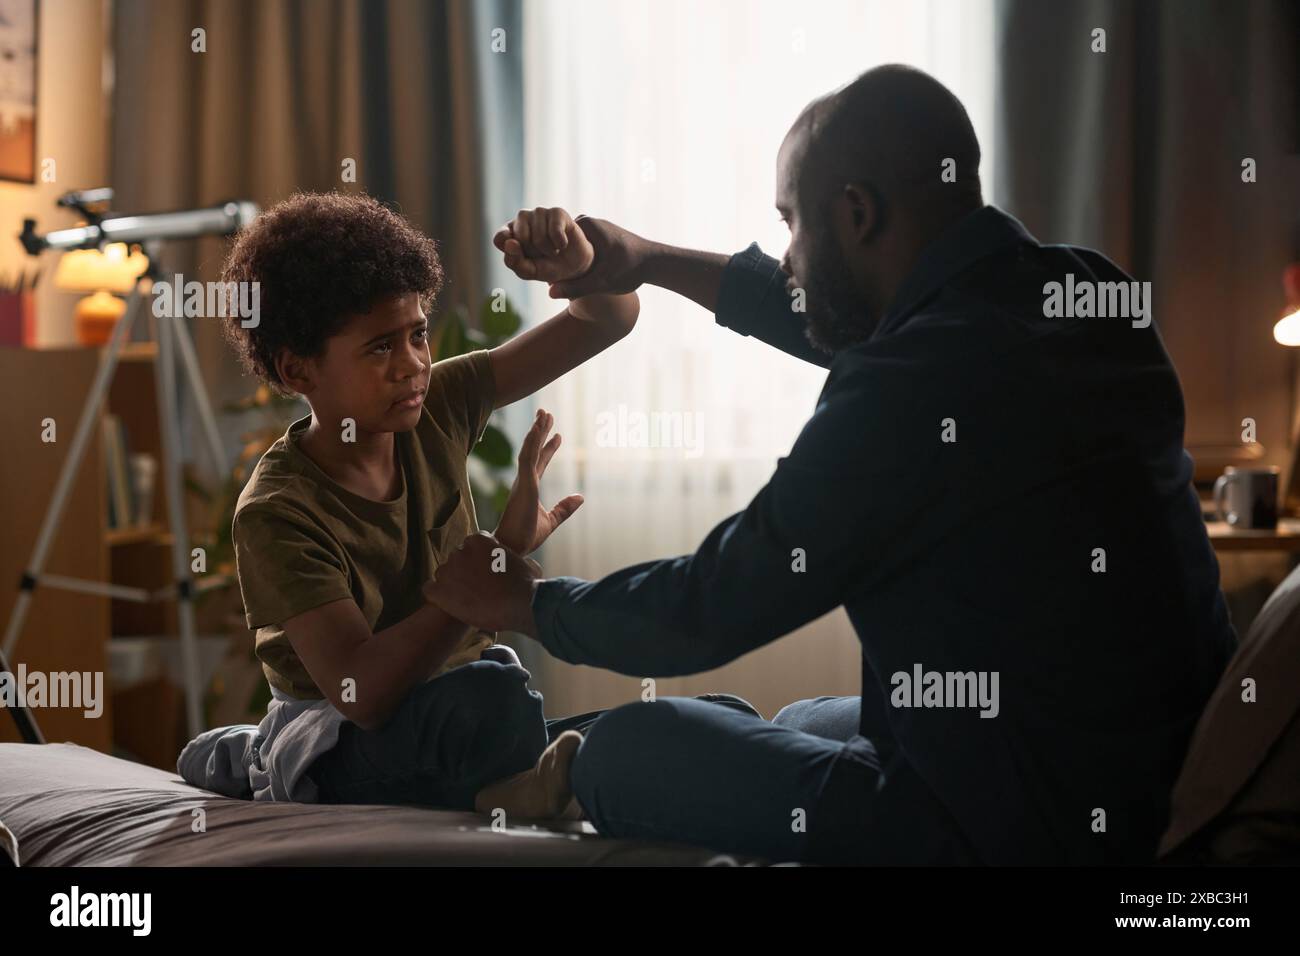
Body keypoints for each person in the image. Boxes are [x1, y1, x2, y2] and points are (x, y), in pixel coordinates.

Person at [425, 64, 1237, 864]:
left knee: (626, 746)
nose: (787, 259)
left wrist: (531, 602)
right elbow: (874, 328)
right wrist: (648, 261)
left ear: (856, 213)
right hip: (1156, 773)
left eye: (791, 226)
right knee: (806, 721)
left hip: (1017, 824)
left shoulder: (903, 390)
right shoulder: (1085, 291)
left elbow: (715, 602)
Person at [200, 190, 758, 815]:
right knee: (490, 694)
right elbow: (363, 692)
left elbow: (607, 318)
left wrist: (576, 266)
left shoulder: (439, 402)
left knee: (714, 721)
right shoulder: (276, 511)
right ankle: (507, 788)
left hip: (467, 722)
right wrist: (496, 561)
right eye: (381, 347)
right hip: (350, 743)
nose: (413, 365)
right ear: (299, 371)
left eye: (416, 335)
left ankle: (522, 780)